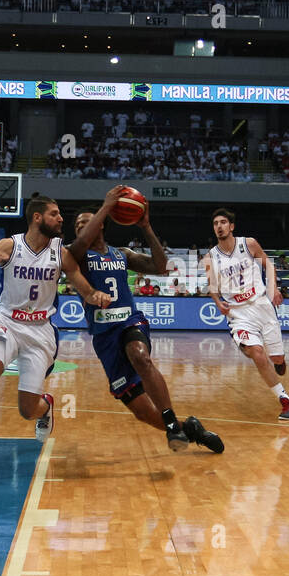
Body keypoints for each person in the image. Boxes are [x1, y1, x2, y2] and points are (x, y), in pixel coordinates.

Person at [0, 195, 112, 477]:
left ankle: (45, 407)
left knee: (27, 409)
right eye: (54, 214)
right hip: (5, 321)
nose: (60, 219)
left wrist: (96, 296)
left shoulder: (62, 252)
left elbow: (84, 288)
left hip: (40, 330)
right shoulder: (10, 245)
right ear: (37, 218)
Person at [68, 185, 223, 454]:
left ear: (101, 225)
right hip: (104, 337)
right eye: (80, 224)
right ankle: (189, 428)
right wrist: (105, 207)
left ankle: (173, 427)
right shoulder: (75, 254)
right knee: (142, 413)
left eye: (89, 222)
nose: (84, 228)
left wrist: (146, 227)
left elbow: (160, 267)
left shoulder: (121, 254)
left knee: (140, 356)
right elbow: (80, 243)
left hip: (130, 322)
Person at [203, 208, 289, 420]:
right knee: (257, 353)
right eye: (216, 223)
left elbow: (269, 266)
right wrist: (218, 303)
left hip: (262, 305)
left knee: (276, 358)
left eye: (223, 222)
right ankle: (285, 400)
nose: (219, 226)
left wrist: (274, 289)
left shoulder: (249, 244)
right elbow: (212, 287)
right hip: (238, 313)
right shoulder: (210, 257)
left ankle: (279, 361)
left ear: (232, 226)